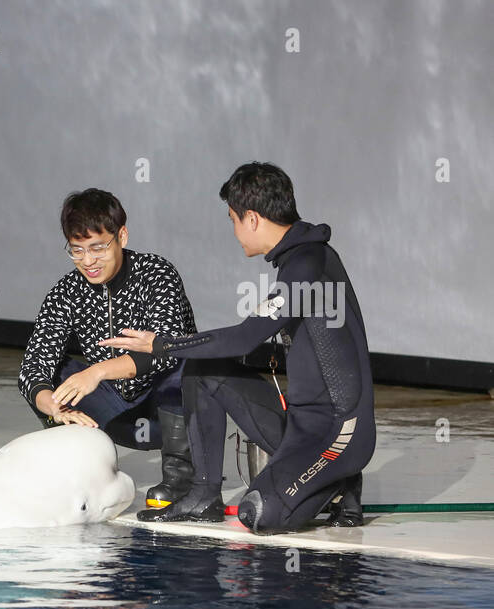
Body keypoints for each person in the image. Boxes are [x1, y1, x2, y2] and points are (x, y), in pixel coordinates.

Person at [101, 162, 374, 534]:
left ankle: (342, 482)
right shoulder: (296, 260)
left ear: (252, 218)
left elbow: (247, 336)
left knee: (257, 513)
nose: (234, 231)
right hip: (300, 427)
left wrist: (160, 344)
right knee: (204, 369)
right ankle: (203, 494)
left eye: (233, 220)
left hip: (338, 434)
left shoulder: (309, 263)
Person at [18, 189, 198, 509]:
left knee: (181, 358)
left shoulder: (156, 274)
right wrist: (53, 406)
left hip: (168, 411)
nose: (88, 261)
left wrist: (98, 371)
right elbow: (33, 366)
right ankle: (78, 467)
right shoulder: (67, 292)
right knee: (55, 375)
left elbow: (167, 346)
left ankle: (180, 476)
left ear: (122, 236)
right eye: (77, 250)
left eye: (98, 248)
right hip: (113, 413)